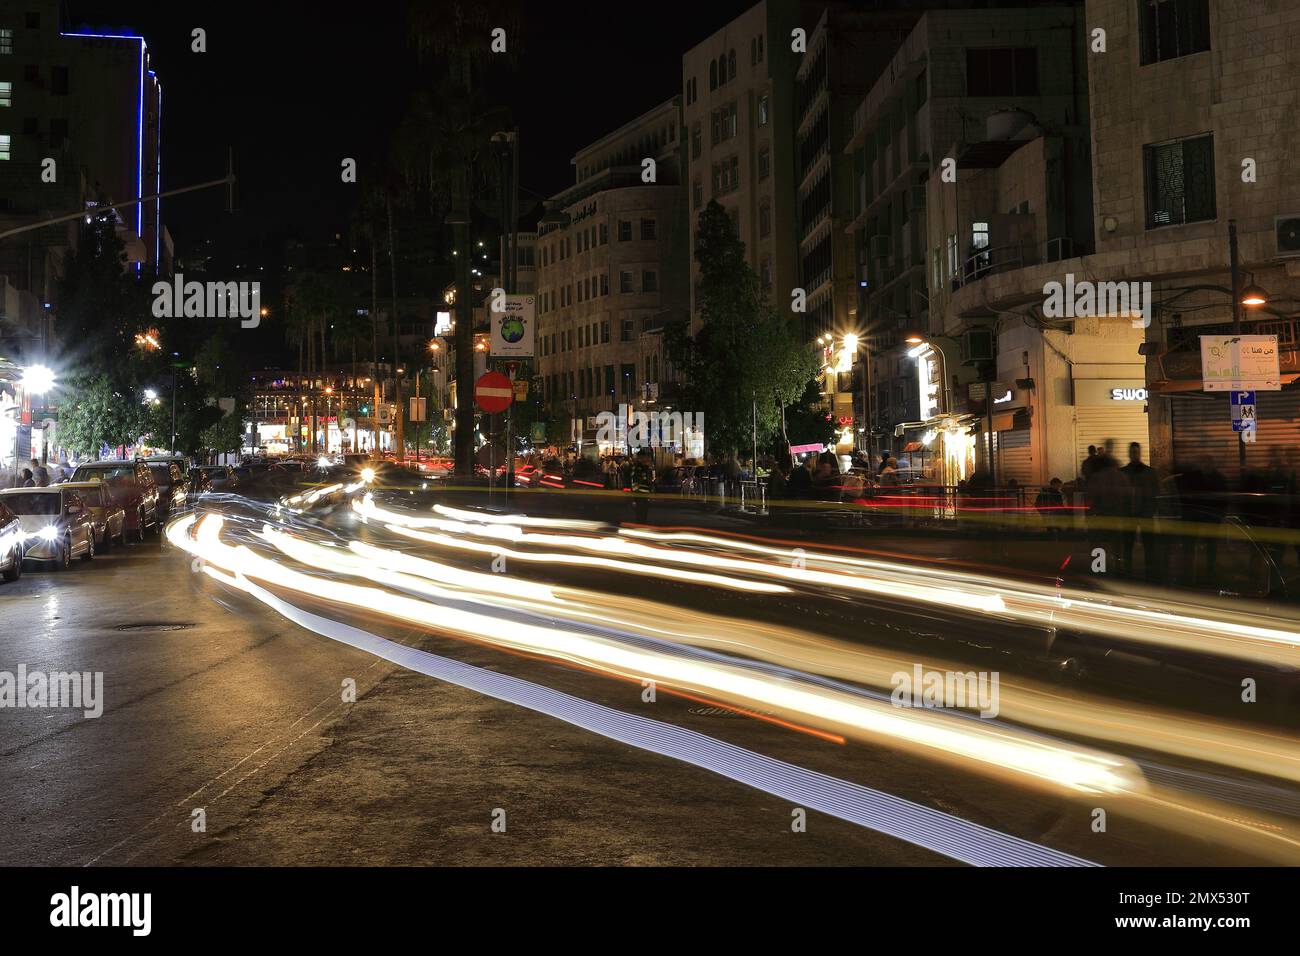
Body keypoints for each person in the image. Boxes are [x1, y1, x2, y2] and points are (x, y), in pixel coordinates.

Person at [1120, 441, 1161, 578]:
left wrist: (1151, 510)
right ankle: (1130, 570)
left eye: (1136, 452)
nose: (1134, 455)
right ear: (1129, 454)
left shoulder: (1149, 472)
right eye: (1132, 452)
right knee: (1128, 544)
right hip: (1130, 514)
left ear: (1139, 453)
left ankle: (1148, 571)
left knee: (1148, 544)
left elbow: (1156, 493)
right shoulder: (1124, 473)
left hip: (1144, 513)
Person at [629, 448, 654, 523]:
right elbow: (636, 482)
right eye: (647, 457)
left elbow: (649, 481)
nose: (648, 459)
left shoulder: (645, 468)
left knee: (643, 514)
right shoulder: (638, 468)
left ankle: (641, 525)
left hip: (644, 495)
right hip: (640, 495)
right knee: (641, 514)